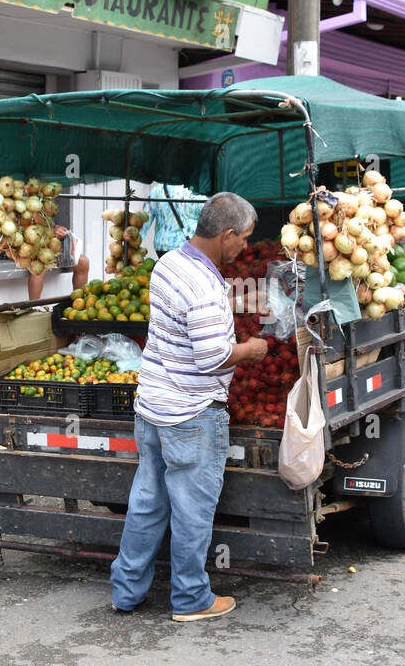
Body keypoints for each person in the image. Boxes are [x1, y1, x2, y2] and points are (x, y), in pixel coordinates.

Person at [110, 192, 267, 622]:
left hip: (153, 406)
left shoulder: (168, 263)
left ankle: (125, 591)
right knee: (192, 508)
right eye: (244, 239)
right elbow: (213, 356)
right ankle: (191, 598)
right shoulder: (203, 286)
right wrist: (250, 349)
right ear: (228, 234)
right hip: (191, 414)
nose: (246, 249)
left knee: (148, 500)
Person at [26, 224, 89, 300]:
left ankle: (78, 303)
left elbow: (49, 224)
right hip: (29, 250)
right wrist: (52, 232)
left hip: (49, 250)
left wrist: (58, 229)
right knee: (39, 267)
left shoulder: (44, 213)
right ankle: (34, 307)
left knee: (83, 262)